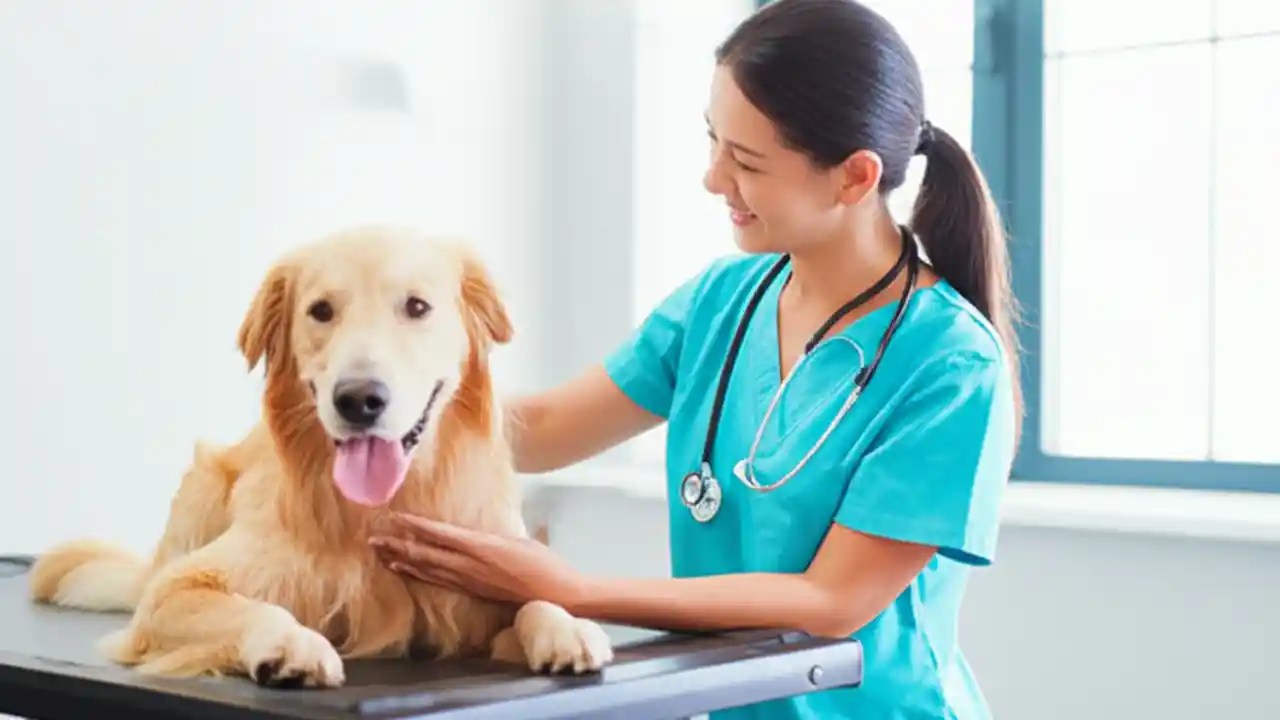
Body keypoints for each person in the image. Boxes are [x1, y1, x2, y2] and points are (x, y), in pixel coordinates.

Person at [370, 0, 1021, 717]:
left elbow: (831, 601)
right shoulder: (723, 301)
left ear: (854, 178)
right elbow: (550, 426)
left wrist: (569, 588)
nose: (714, 178)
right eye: (714, 141)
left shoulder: (952, 365)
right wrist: (388, 407)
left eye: (746, 161)